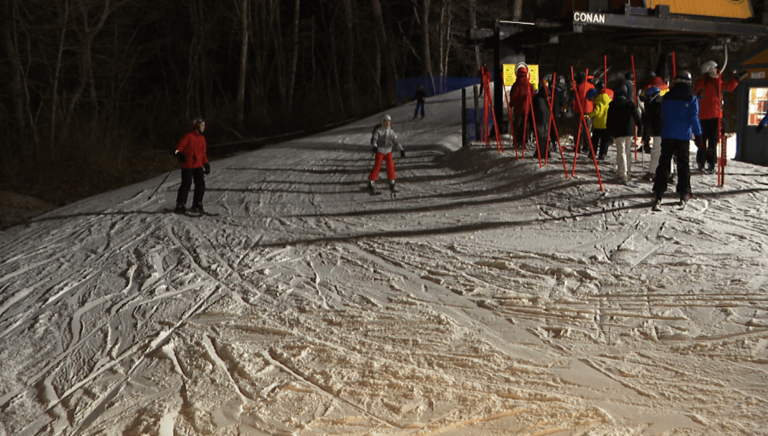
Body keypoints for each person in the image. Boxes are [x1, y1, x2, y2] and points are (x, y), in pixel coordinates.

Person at [651, 71, 702, 211]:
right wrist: (698, 134)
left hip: (668, 133)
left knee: (664, 163)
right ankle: (684, 192)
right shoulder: (691, 97)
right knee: (683, 165)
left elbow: (663, 114)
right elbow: (694, 117)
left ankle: (659, 192)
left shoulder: (667, 96)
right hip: (683, 135)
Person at [694, 61, 745, 173]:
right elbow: (728, 87)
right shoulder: (715, 82)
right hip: (714, 116)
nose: (718, 71)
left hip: (701, 117)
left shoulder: (699, 83)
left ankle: (700, 161)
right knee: (713, 141)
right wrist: (736, 79)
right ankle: (711, 163)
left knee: (702, 140)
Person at [606, 83, 642, 184]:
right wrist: (640, 126)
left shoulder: (613, 104)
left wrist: (609, 133)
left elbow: (609, 120)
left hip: (618, 131)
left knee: (621, 151)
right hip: (629, 130)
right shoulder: (629, 103)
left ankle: (622, 173)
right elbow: (636, 115)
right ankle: (628, 171)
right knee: (627, 151)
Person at [173, 116, 210, 213]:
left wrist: (206, 164)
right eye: (202, 125)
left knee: (200, 184)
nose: (204, 127)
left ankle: (197, 203)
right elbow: (177, 149)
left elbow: (203, 153)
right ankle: (180, 203)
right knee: (186, 184)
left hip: (198, 165)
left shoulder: (202, 138)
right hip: (187, 165)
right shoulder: (188, 136)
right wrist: (179, 154)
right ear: (197, 126)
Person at [369, 114, 405, 193]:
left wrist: (401, 149)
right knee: (377, 166)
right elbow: (374, 140)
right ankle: (371, 181)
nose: (387, 123)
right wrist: (374, 147)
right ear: (382, 122)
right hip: (380, 151)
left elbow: (395, 142)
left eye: (388, 122)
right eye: (385, 122)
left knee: (391, 166)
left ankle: (392, 182)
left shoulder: (391, 132)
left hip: (388, 151)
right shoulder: (379, 131)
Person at [509, 63, 535, 153]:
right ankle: (525, 141)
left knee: (517, 126)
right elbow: (533, 96)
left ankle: (518, 141)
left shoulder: (516, 85)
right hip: (527, 109)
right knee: (525, 126)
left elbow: (514, 96)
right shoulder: (529, 85)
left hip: (518, 109)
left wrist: (511, 104)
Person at [641, 86, 666, 180]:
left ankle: (653, 171)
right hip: (667, 130)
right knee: (666, 151)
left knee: (656, 151)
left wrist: (646, 137)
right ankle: (669, 171)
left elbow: (648, 122)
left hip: (659, 131)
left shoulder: (654, 105)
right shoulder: (664, 102)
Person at [584, 88, 612, 160]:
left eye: (592, 99)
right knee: (604, 141)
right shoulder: (608, 99)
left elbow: (597, 111)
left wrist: (588, 116)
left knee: (594, 140)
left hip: (598, 124)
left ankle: (592, 153)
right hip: (606, 123)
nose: (592, 101)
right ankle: (603, 154)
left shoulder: (598, 101)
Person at [572, 71, 595, 153]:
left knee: (578, 129)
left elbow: (573, 97)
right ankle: (586, 146)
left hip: (579, 109)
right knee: (587, 129)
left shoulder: (577, 86)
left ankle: (577, 146)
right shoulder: (591, 86)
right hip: (589, 109)